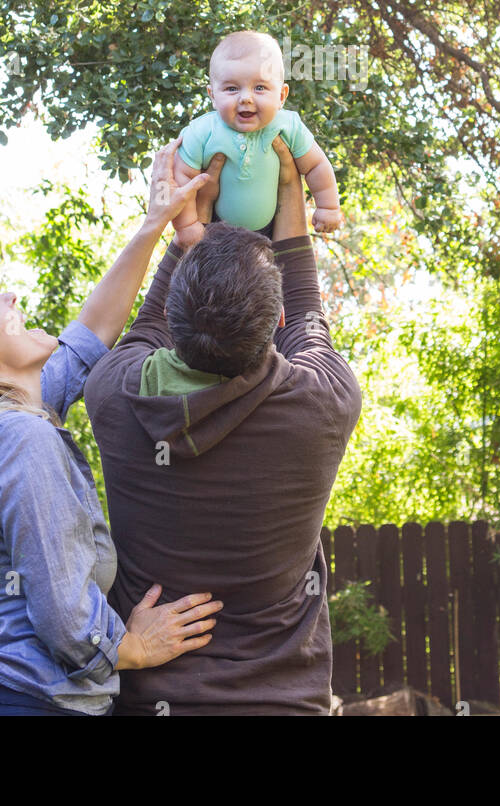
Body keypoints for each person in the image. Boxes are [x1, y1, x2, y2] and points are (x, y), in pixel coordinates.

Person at [0, 142, 224, 716]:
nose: (10, 295)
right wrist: (129, 648)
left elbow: (90, 336)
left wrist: (159, 224)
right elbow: (63, 612)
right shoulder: (19, 441)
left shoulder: (10, 418)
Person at [84, 136, 362, 715]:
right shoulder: (323, 405)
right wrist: (290, 192)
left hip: (149, 702)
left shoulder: (114, 394)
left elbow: (151, 323)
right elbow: (309, 318)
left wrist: (186, 223)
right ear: (276, 319)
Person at [169, 29, 342, 246]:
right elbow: (182, 177)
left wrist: (328, 207)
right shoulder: (202, 131)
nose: (246, 98)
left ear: (281, 96)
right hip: (213, 227)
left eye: (260, 88)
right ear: (213, 95)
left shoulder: (288, 127)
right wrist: (186, 224)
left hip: (272, 230)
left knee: (276, 272)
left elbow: (316, 165)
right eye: (231, 89)